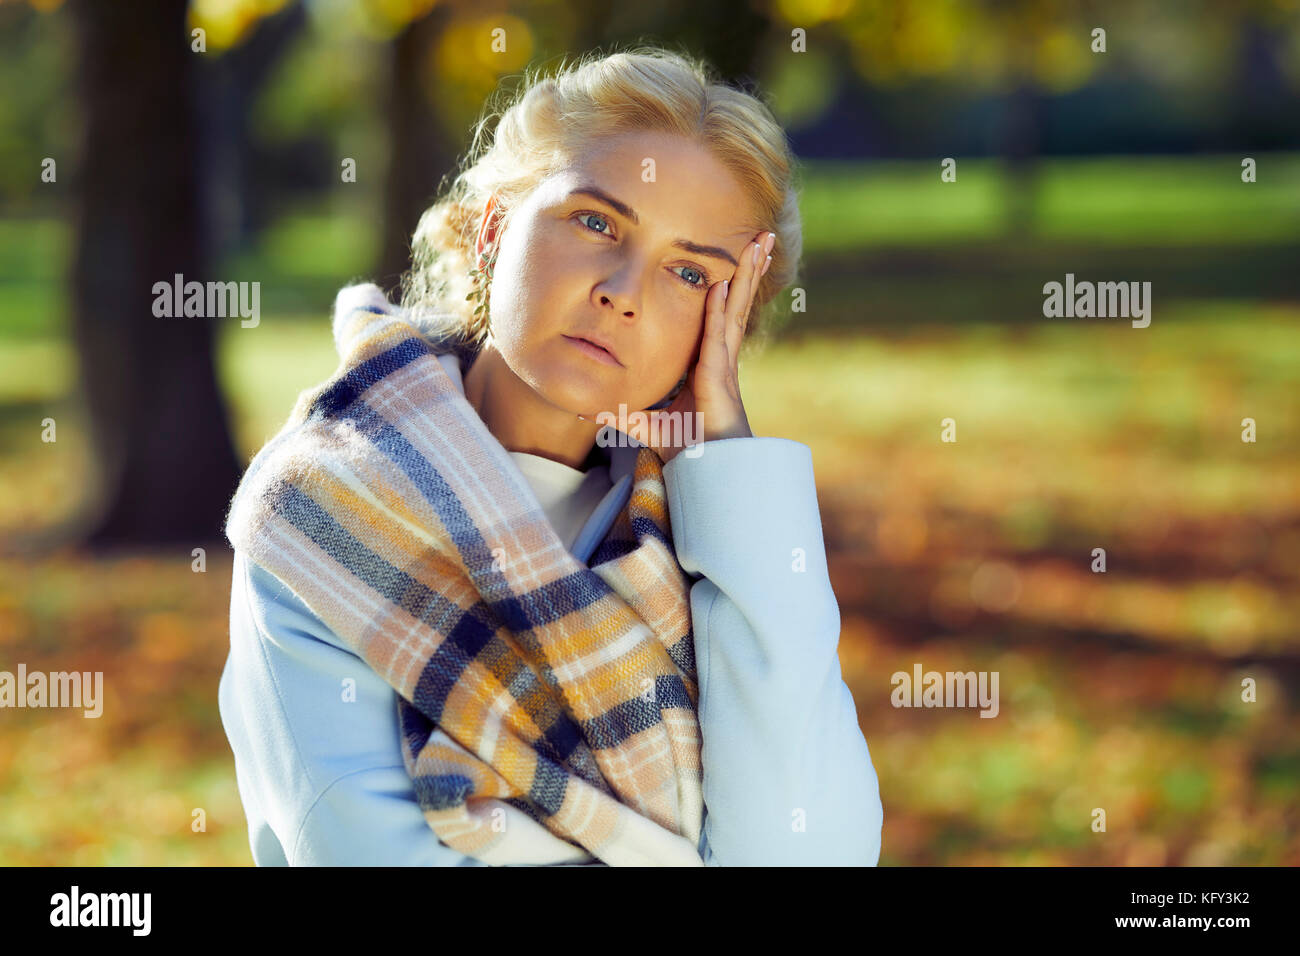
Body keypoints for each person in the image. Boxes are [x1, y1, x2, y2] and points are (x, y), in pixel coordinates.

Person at [218, 44, 883, 866]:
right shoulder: (324, 508)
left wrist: (733, 467)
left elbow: (811, 850)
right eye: (596, 222)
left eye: (688, 273)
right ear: (497, 229)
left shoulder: (705, 535)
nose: (623, 292)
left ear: (726, 327)